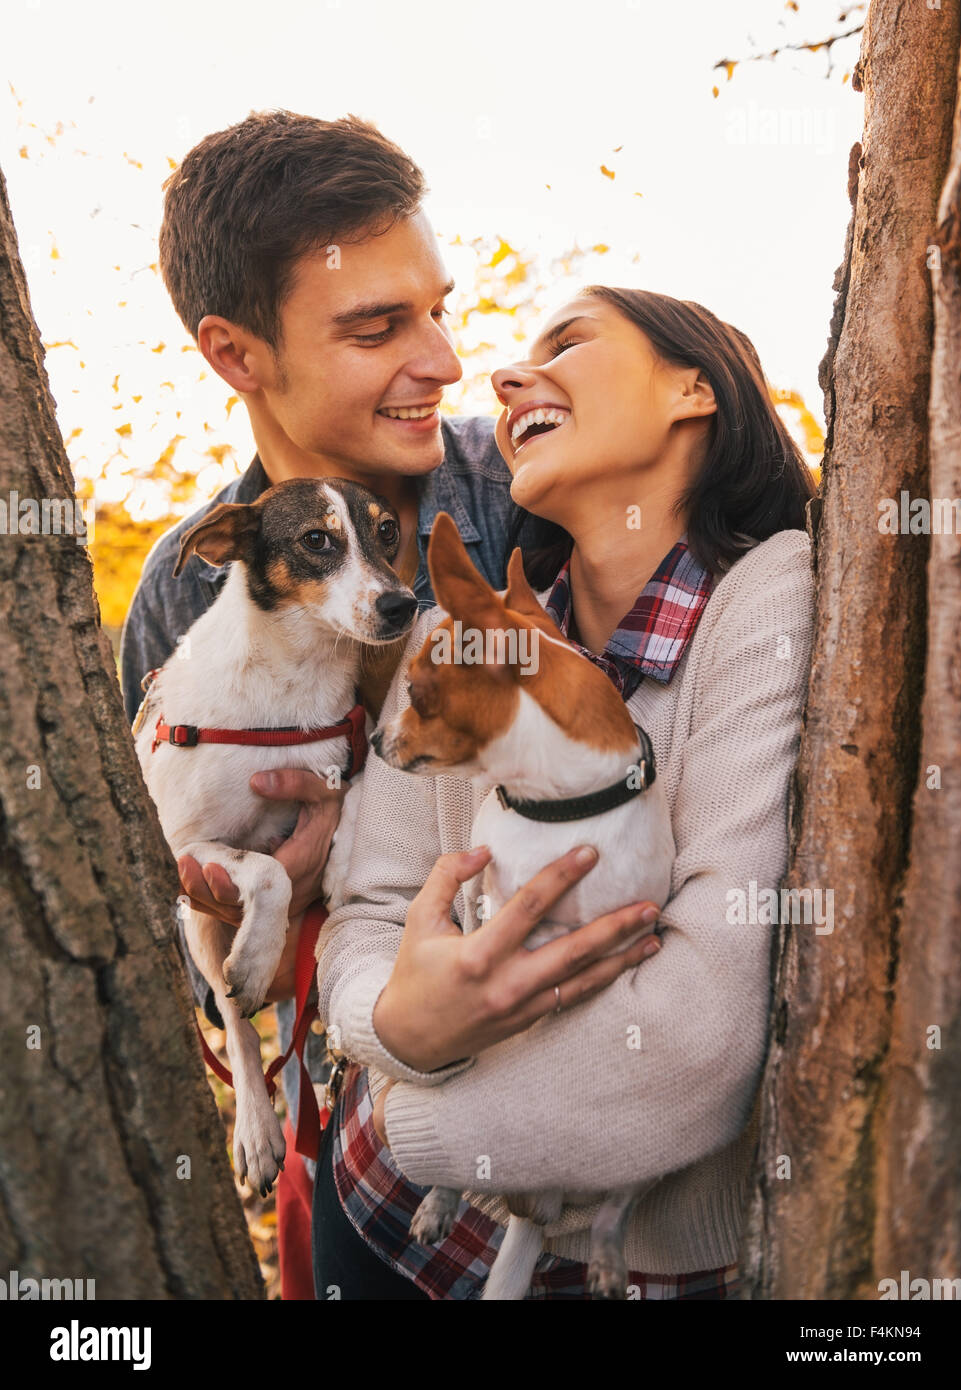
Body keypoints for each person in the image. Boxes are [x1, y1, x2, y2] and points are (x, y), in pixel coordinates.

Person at [119, 108, 600, 1297]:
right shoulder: (183, 604)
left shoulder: (543, 495)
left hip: (602, 1150)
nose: (441, 359)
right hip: (368, 1183)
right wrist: (269, 883)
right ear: (236, 355)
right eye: (379, 326)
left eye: (435, 307)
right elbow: (173, 944)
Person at [312, 285, 818, 1299]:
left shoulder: (763, 603)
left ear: (694, 389)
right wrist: (398, 1023)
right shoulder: (453, 638)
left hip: (618, 1264)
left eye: (569, 341)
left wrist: (410, 1113)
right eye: (515, 360)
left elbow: (700, 1033)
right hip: (372, 1215)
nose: (502, 376)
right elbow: (363, 911)